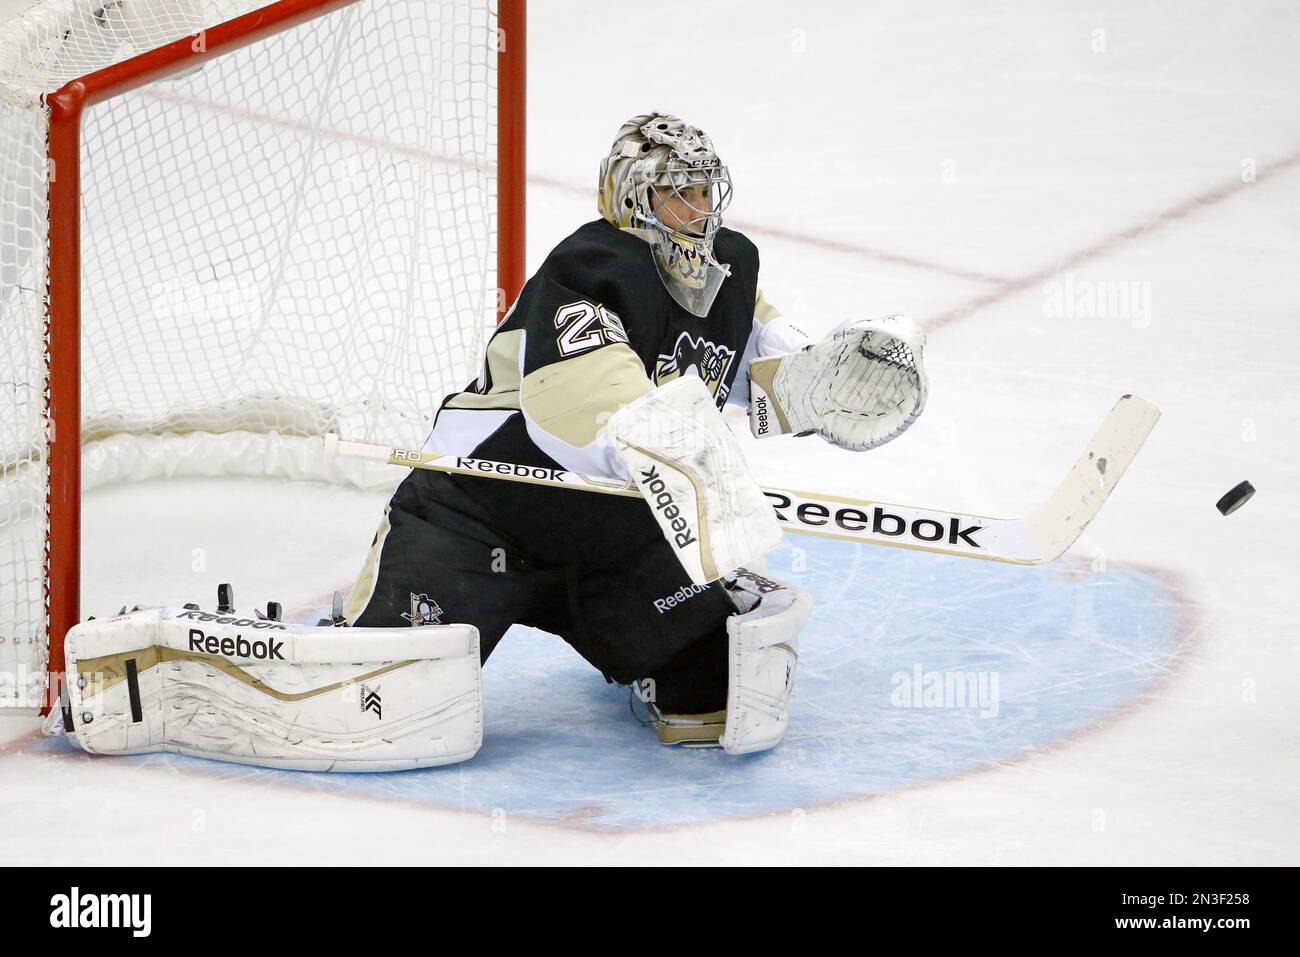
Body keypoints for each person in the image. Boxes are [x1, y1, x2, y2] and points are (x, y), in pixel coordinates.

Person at [344, 113, 926, 753]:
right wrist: (686, 465)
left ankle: (637, 645)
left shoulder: (726, 272)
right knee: (385, 704)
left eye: (707, 191)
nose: (700, 210)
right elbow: (587, 404)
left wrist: (829, 383)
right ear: (633, 196)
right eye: (680, 192)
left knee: (714, 694)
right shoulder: (590, 268)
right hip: (481, 508)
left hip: (613, 524)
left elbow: (763, 372)